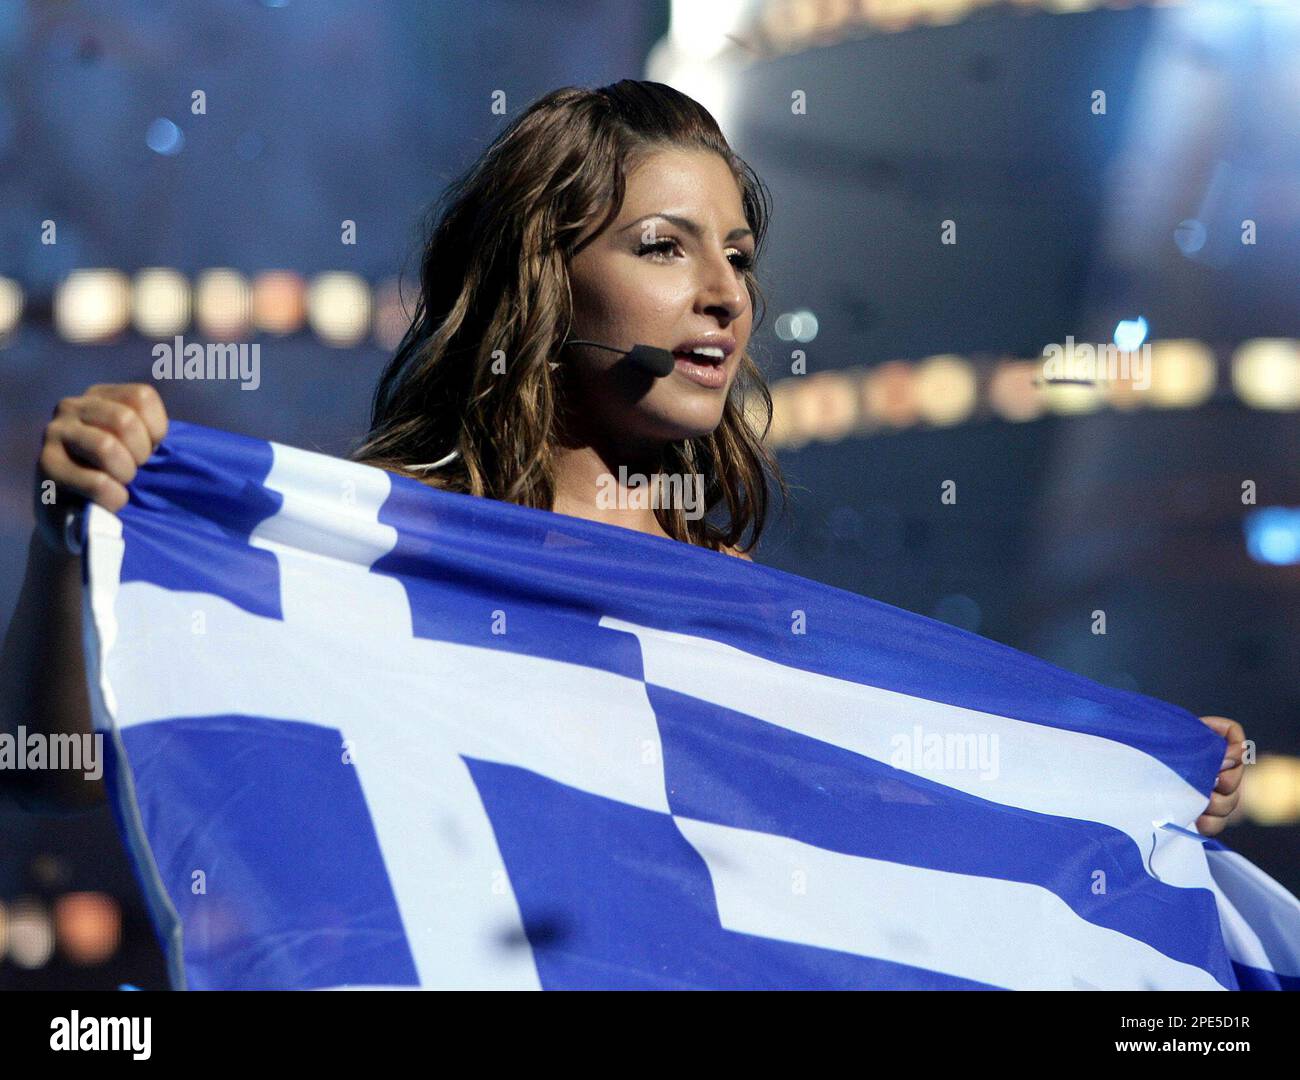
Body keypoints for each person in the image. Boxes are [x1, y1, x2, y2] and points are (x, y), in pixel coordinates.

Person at [1, 81, 1247, 837]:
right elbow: (62, 770)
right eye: (664, 246)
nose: (722, 297)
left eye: (741, 257)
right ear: (539, 281)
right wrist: (76, 536)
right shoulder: (367, 564)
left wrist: (1115, 780)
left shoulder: (752, 626)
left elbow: (897, 842)